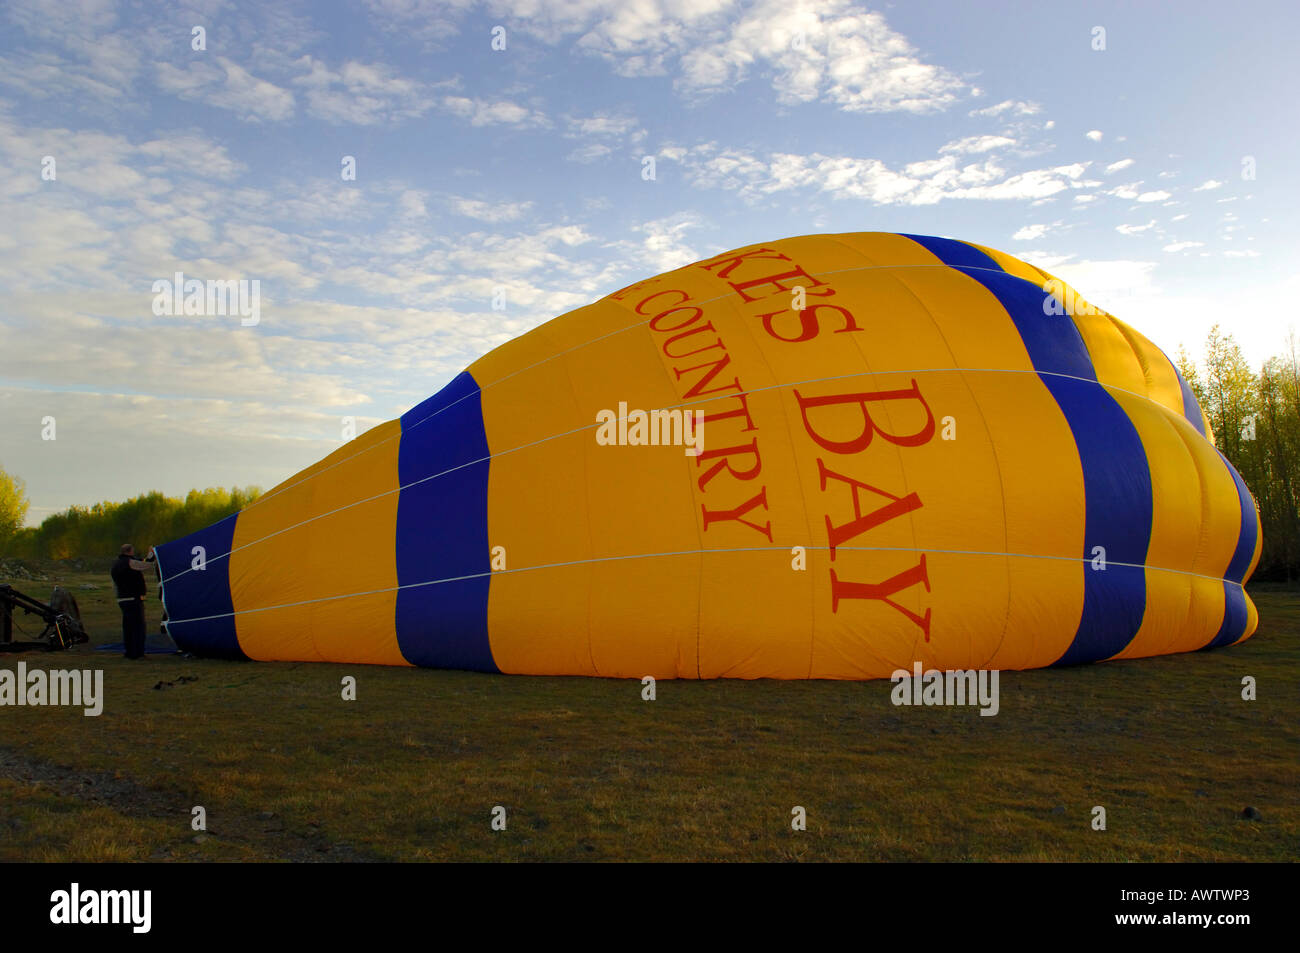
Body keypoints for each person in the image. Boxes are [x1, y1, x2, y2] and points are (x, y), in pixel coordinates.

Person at [111, 543, 155, 659]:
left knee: (128, 627)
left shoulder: (116, 564)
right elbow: (146, 564)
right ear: (130, 551)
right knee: (138, 627)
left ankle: (129, 651)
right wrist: (152, 553)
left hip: (121, 599)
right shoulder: (129, 562)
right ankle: (138, 653)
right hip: (132, 599)